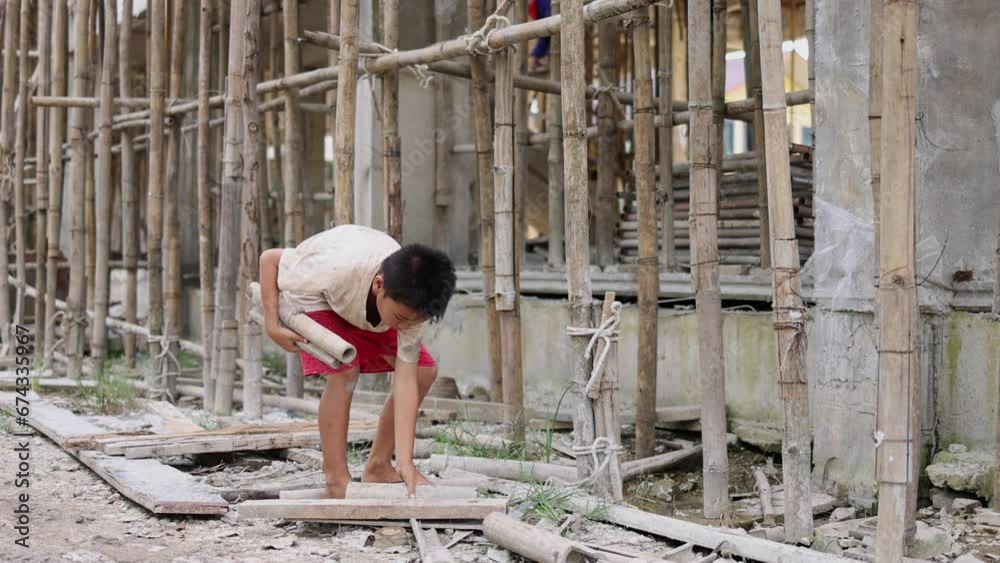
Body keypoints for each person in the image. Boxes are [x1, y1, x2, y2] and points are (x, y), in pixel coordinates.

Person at [259, 225, 457, 498]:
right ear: (379, 285)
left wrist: (407, 462)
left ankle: (379, 466)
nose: (407, 327)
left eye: (415, 321)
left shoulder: (413, 308)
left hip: (362, 306)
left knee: (423, 370)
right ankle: (336, 480)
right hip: (316, 297)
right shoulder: (334, 269)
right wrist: (272, 325)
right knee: (346, 370)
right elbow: (270, 259)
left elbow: (406, 381)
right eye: (402, 319)